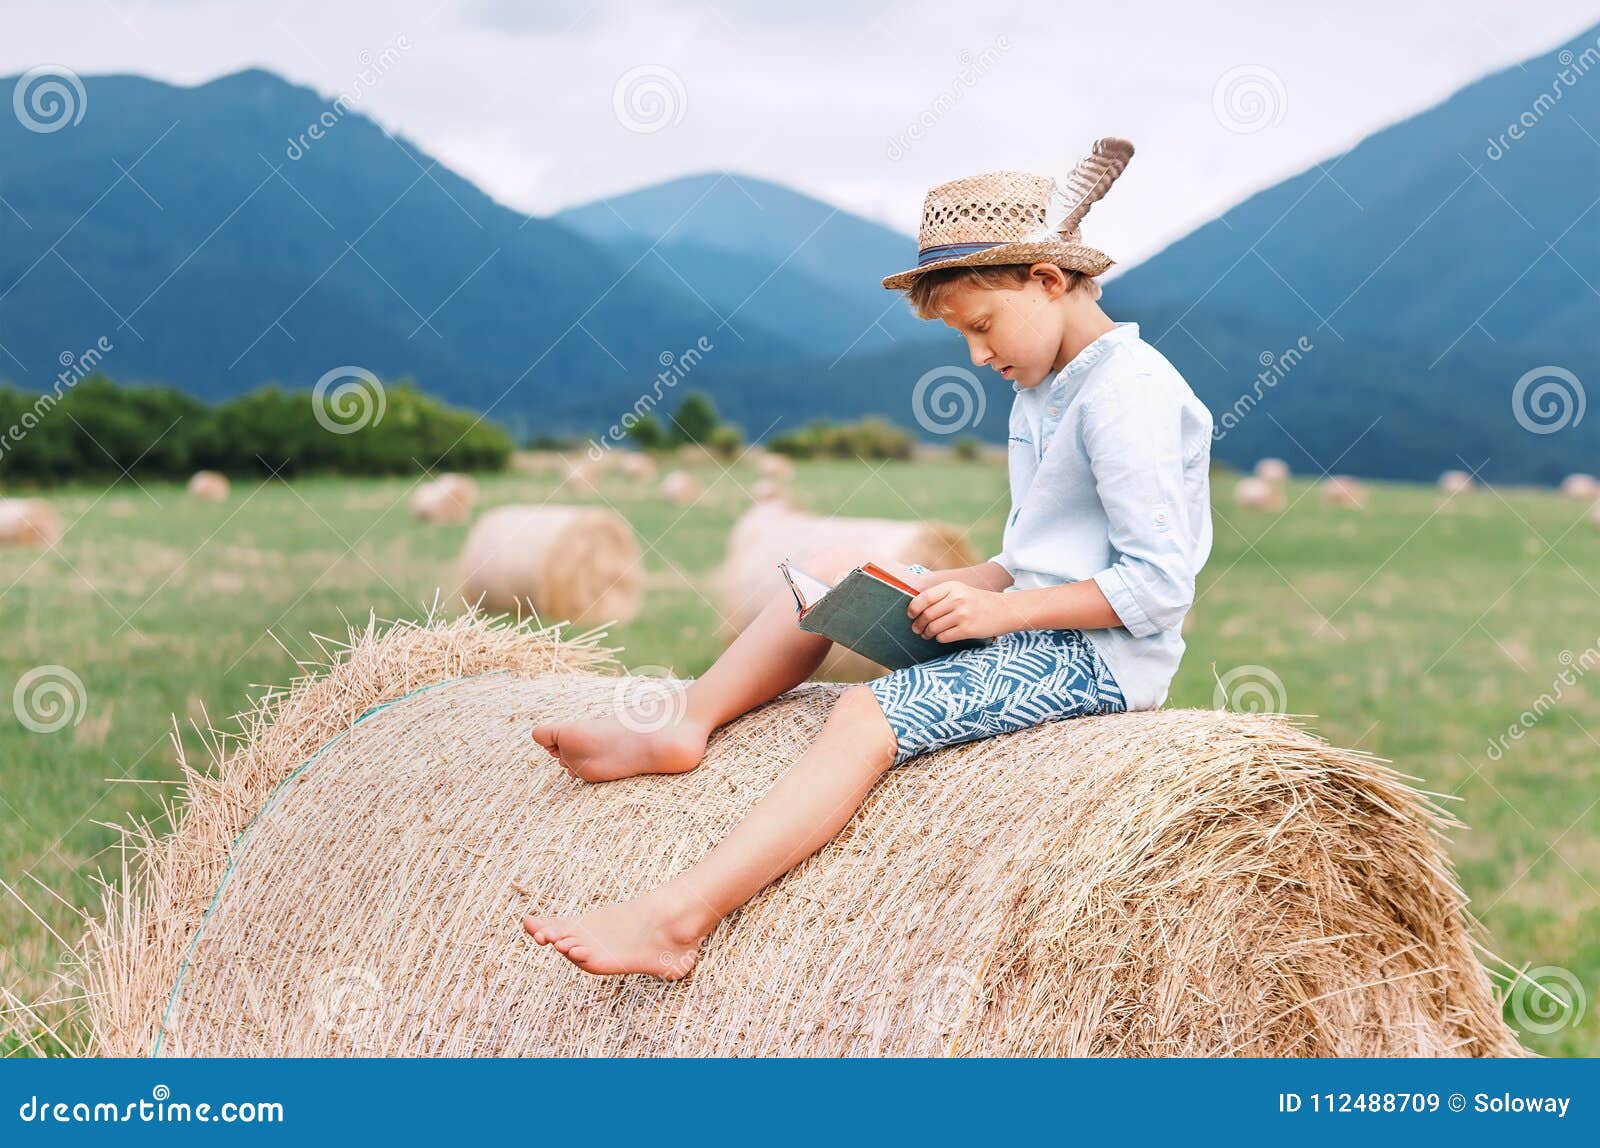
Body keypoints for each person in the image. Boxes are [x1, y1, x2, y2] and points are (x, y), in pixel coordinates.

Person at [523, 138, 1214, 979]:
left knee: (863, 717)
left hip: (1098, 661)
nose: (978, 356)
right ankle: (686, 721)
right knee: (835, 565)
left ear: (1048, 280)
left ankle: (678, 918)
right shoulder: (1047, 389)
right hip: (1029, 625)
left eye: (981, 327)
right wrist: (966, 584)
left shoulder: (1127, 394)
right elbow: (1037, 557)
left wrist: (1002, 612)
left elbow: (1158, 585)